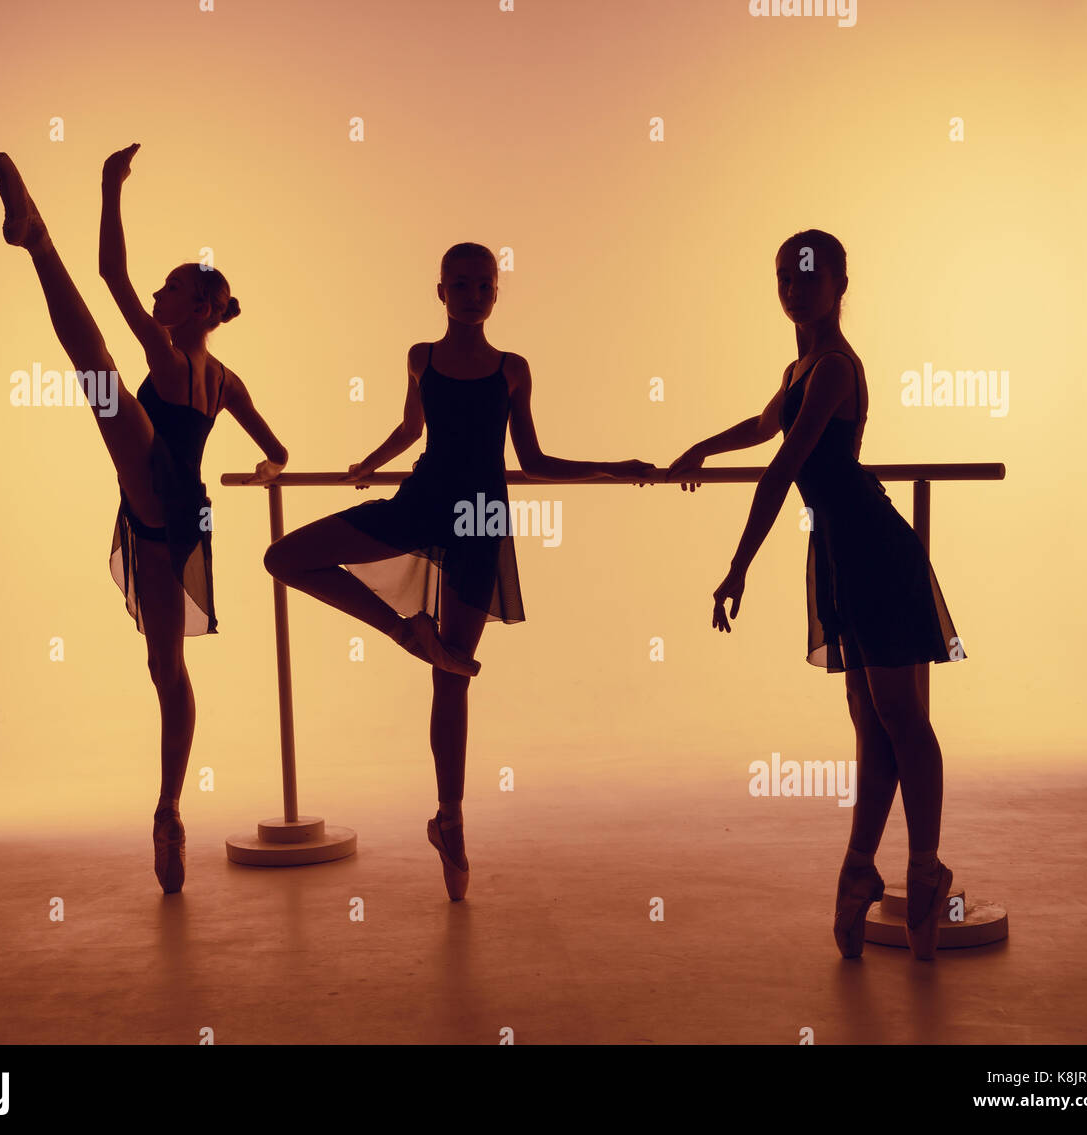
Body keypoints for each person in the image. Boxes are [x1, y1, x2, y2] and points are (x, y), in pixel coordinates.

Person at [263, 242, 655, 901]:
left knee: (453, 676)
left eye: (484, 284)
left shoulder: (513, 369)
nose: (473, 293)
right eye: (460, 284)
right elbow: (412, 427)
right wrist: (368, 461)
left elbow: (530, 458)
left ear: (496, 294)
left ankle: (449, 819)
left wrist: (613, 466)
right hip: (421, 502)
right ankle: (400, 630)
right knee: (286, 556)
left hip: (480, 521)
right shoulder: (421, 358)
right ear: (440, 292)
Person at [0, 146, 288, 895]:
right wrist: (269, 469)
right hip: (173, 520)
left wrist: (108, 189)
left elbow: (111, 278)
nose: (156, 293)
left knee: (93, 365)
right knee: (166, 670)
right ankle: (169, 809)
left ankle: (37, 240)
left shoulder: (170, 354)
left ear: (200, 309)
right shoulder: (225, 382)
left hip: (159, 492)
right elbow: (278, 449)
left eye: (172, 287)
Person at [669, 229, 965, 960]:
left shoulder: (834, 368)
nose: (794, 288)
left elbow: (782, 465)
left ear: (839, 284)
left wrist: (737, 566)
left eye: (808, 275)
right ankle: (861, 868)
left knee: (901, 718)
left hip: (873, 549)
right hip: (838, 554)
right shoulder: (801, 365)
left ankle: (923, 869)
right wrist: (703, 447)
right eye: (784, 276)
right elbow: (765, 422)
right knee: (871, 722)